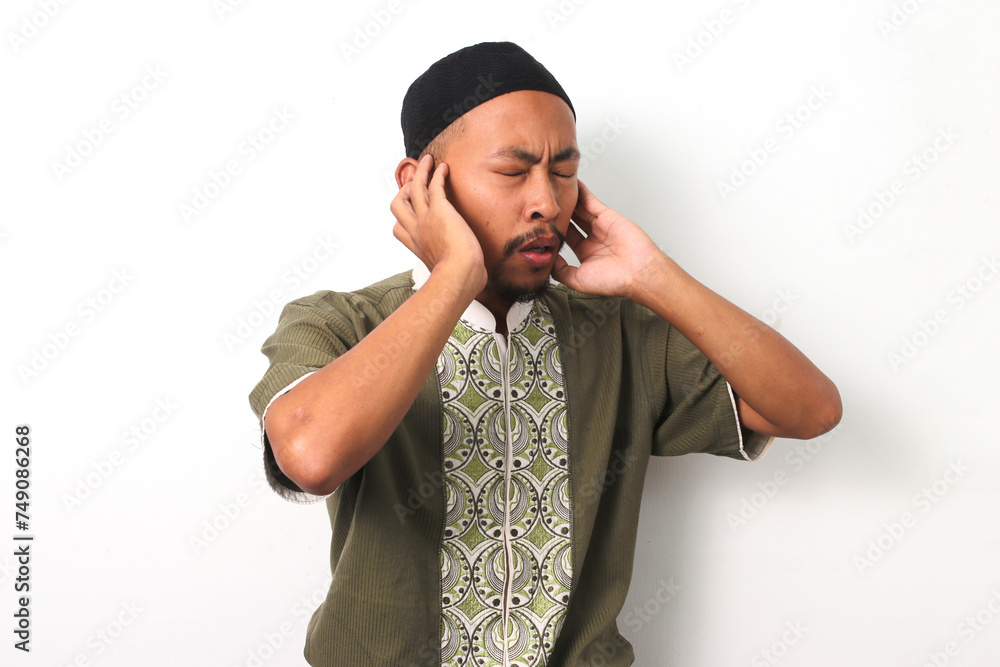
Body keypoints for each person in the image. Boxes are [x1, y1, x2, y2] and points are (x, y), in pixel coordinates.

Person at [249, 41, 841, 667]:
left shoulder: (616, 336)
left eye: (563, 171)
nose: (548, 203)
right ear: (418, 182)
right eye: (513, 171)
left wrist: (653, 276)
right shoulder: (341, 323)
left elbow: (810, 409)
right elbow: (311, 457)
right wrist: (455, 276)